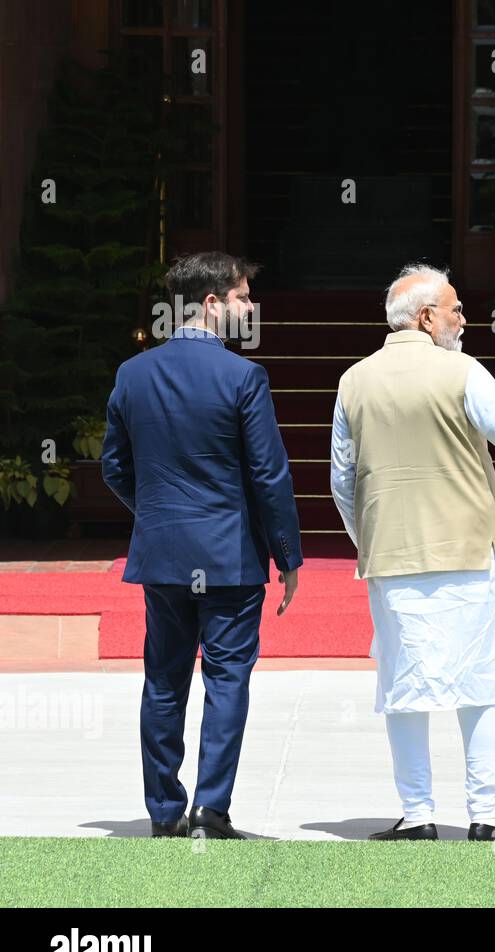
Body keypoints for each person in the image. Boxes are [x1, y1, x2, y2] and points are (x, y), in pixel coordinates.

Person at [330, 263, 495, 841]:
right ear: (425, 318)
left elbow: (342, 482)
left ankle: (417, 817)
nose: (464, 319)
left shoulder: (353, 381)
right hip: (470, 553)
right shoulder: (463, 371)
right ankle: (484, 816)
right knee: (481, 683)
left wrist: (370, 540)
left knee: (404, 689)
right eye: (455, 309)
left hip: (392, 559)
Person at [101, 251, 302, 841]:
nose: (250, 307)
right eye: (242, 297)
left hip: (163, 554)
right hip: (229, 556)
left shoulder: (132, 374)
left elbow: (115, 467)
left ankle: (165, 812)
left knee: (163, 681)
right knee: (228, 678)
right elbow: (269, 476)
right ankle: (212, 811)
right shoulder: (243, 377)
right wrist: (287, 556)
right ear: (211, 304)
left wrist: (157, 516)